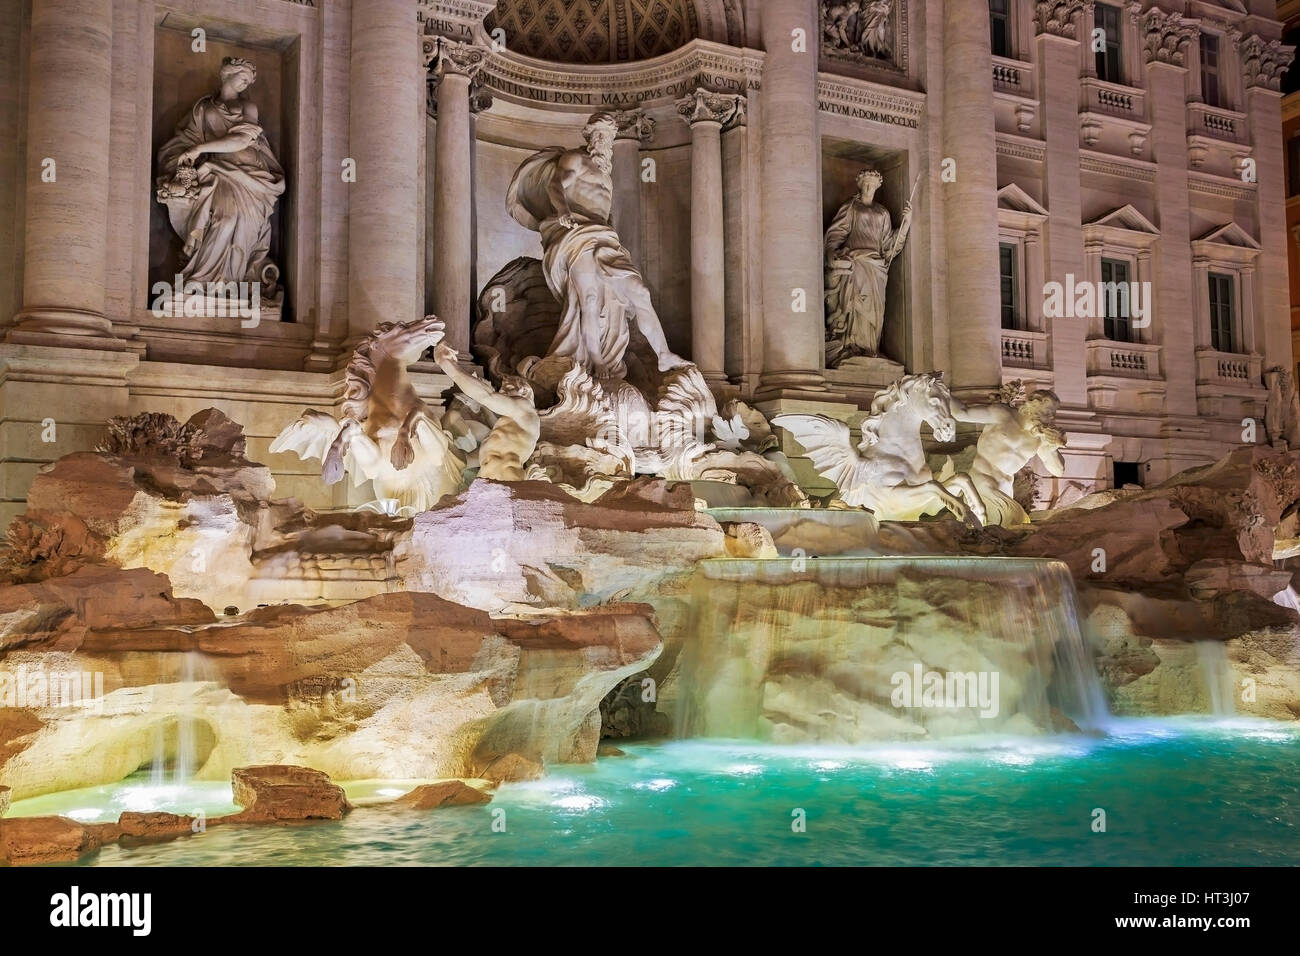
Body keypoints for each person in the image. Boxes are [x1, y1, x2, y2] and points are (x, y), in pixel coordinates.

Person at [506, 112, 688, 380]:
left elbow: (603, 210)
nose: (604, 142)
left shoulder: (606, 174)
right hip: (576, 234)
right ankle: (596, 361)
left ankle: (663, 354)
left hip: (604, 238)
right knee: (588, 299)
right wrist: (563, 209)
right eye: (600, 135)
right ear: (590, 137)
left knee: (639, 292)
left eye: (609, 137)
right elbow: (556, 185)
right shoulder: (575, 159)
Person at [156, 57, 285, 289]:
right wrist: (183, 159)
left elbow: (241, 139)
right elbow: (183, 141)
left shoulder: (248, 107)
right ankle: (204, 282)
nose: (246, 84)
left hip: (250, 176)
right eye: (243, 78)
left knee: (243, 222)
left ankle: (232, 285)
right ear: (228, 74)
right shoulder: (203, 109)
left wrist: (199, 149)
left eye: (249, 81)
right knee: (224, 220)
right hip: (218, 174)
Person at [824, 167, 911, 367]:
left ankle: (869, 347)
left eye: (873, 185)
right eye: (866, 184)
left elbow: (889, 244)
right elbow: (836, 234)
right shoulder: (851, 208)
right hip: (856, 262)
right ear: (860, 185)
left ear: (878, 187)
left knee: (875, 310)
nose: (869, 187)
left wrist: (906, 223)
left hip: (876, 267)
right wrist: (831, 254)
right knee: (855, 305)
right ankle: (851, 346)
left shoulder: (883, 213)